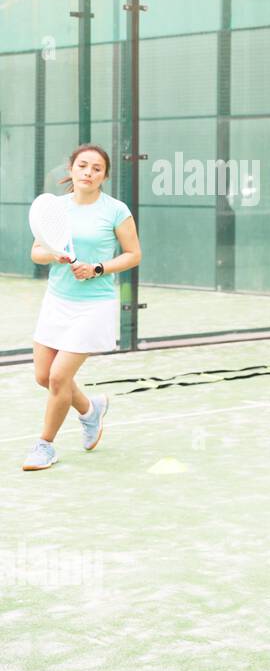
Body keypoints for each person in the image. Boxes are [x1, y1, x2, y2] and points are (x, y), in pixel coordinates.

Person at [24, 144, 142, 471]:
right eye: (83, 166)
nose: (88, 173)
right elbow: (37, 252)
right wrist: (55, 253)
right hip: (57, 300)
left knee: (60, 377)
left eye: (96, 169)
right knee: (43, 376)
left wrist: (98, 267)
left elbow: (133, 254)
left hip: (94, 305)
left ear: (104, 176)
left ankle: (45, 445)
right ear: (72, 169)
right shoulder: (56, 208)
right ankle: (91, 410)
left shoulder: (116, 210)